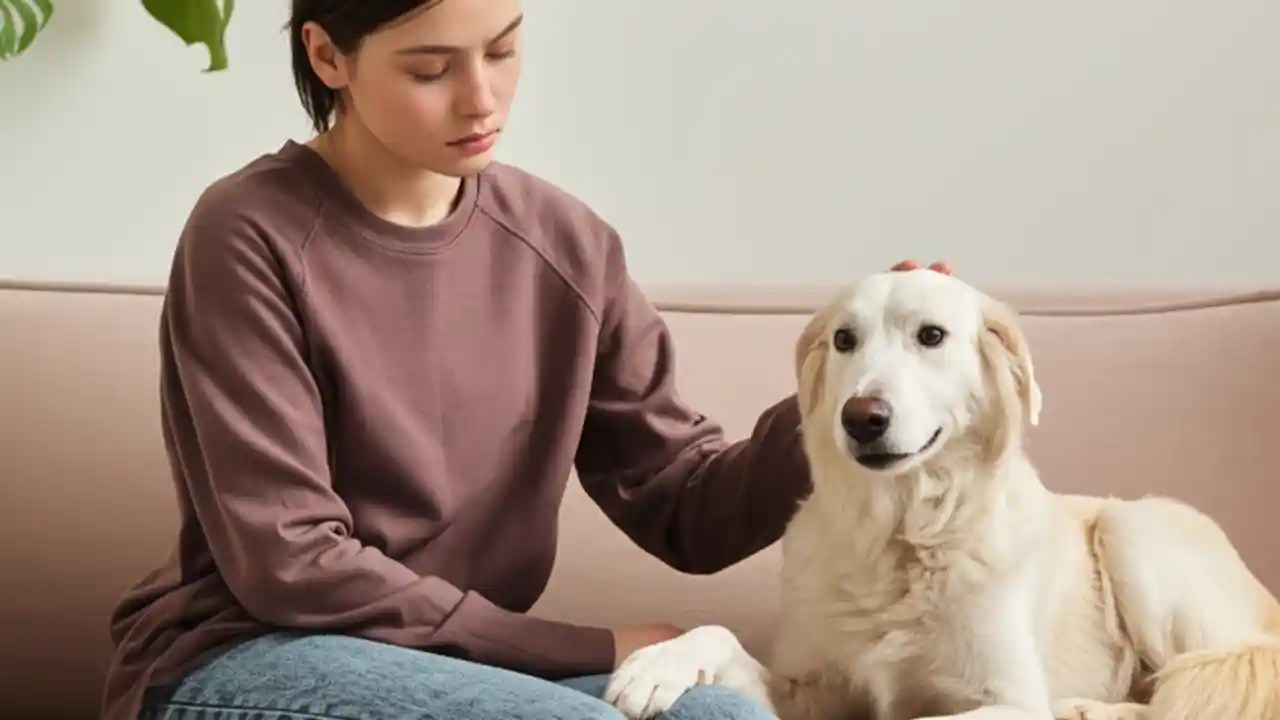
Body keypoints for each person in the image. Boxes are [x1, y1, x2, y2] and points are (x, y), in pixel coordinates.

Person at [101, 1, 951, 718]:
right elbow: (293, 564)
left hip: (469, 670)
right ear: (328, 57)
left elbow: (686, 506)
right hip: (250, 657)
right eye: (431, 70)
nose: (482, 99)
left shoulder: (563, 244)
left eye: (503, 50)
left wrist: (854, 390)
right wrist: (591, 648)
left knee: (722, 713)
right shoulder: (248, 234)